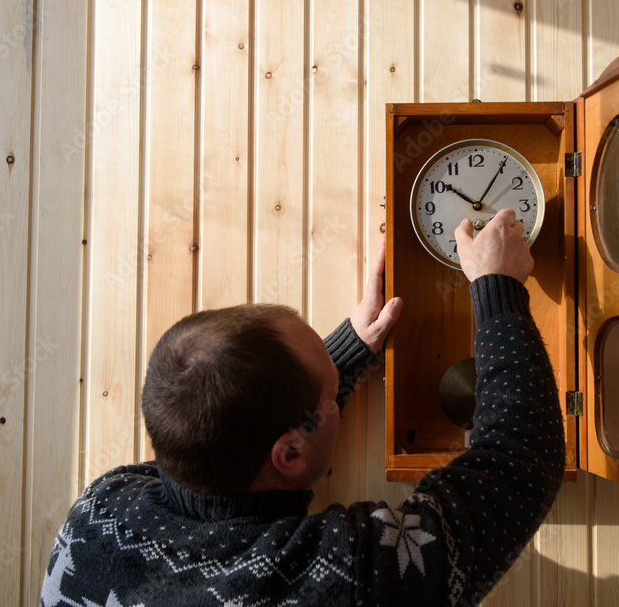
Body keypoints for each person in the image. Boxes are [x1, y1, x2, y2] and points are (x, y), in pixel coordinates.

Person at [40, 209, 565, 606]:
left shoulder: (100, 510)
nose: (335, 395)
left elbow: (227, 425)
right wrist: (497, 289)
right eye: (328, 395)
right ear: (288, 453)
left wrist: (347, 350)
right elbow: (518, 462)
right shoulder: (342, 575)